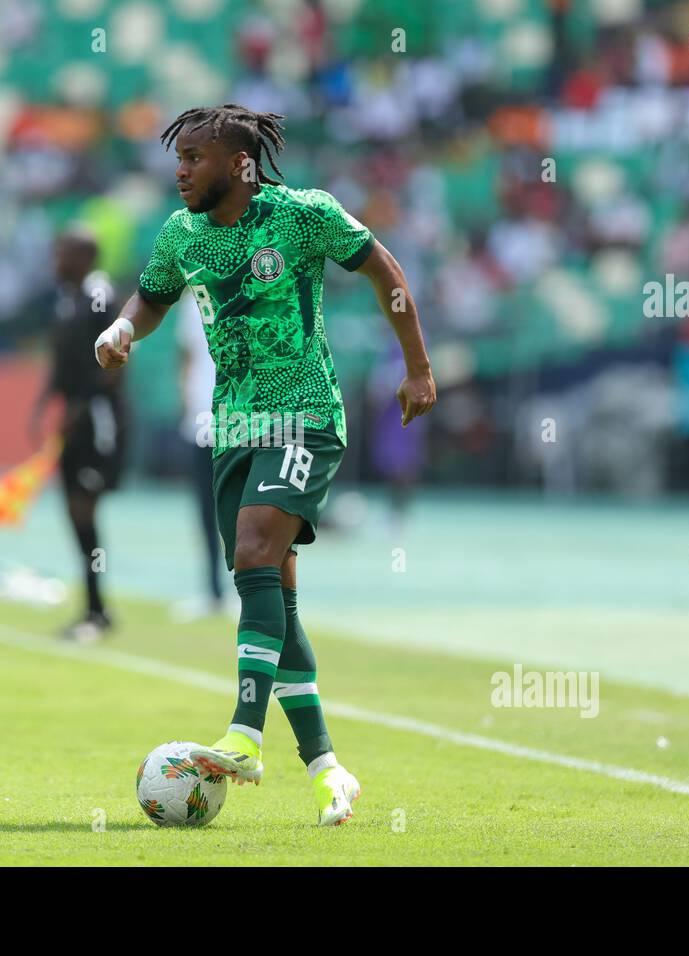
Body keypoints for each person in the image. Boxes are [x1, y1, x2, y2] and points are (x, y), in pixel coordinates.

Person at [94, 104, 436, 825]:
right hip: (233, 427)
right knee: (271, 592)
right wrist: (124, 328)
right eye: (177, 157)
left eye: (193, 156)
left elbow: (384, 270)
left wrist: (417, 367)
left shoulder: (304, 215)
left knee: (253, 550)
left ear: (237, 163)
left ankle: (245, 735)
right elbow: (152, 298)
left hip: (303, 416)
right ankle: (329, 771)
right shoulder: (182, 233)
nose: (180, 169)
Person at [33, 226, 126, 644]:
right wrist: (44, 405)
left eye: (62, 253)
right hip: (72, 420)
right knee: (74, 511)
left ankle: (96, 610)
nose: (55, 261)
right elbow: (61, 362)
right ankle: (94, 606)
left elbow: (117, 361)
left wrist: (82, 405)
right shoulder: (68, 300)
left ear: (84, 256)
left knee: (85, 508)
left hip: (98, 420)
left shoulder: (99, 296)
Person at [173, 289, 234, 621]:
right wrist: (185, 400)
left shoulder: (244, 291)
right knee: (205, 508)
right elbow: (186, 356)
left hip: (239, 415)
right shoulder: (190, 303)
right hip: (201, 415)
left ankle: (248, 591)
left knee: (240, 509)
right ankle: (213, 591)